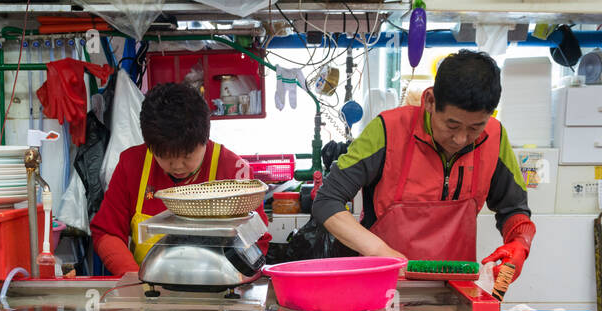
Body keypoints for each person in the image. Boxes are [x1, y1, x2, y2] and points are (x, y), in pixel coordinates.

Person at [311, 51, 535, 281]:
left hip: (455, 289)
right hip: (383, 283)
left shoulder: (495, 137)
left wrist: (519, 243)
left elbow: (514, 210)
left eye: (475, 128)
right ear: (430, 101)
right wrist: (382, 253)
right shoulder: (388, 130)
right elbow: (327, 201)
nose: (460, 139)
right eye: (452, 125)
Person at [91, 82, 269, 276]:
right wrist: (136, 280)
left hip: (218, 291)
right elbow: (107, 233)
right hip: (149, 292)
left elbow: (256, 242)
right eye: (165, 157)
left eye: (187, 155)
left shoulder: (234, 170)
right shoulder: (132, 164)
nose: (177, 166)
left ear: (205, 139)